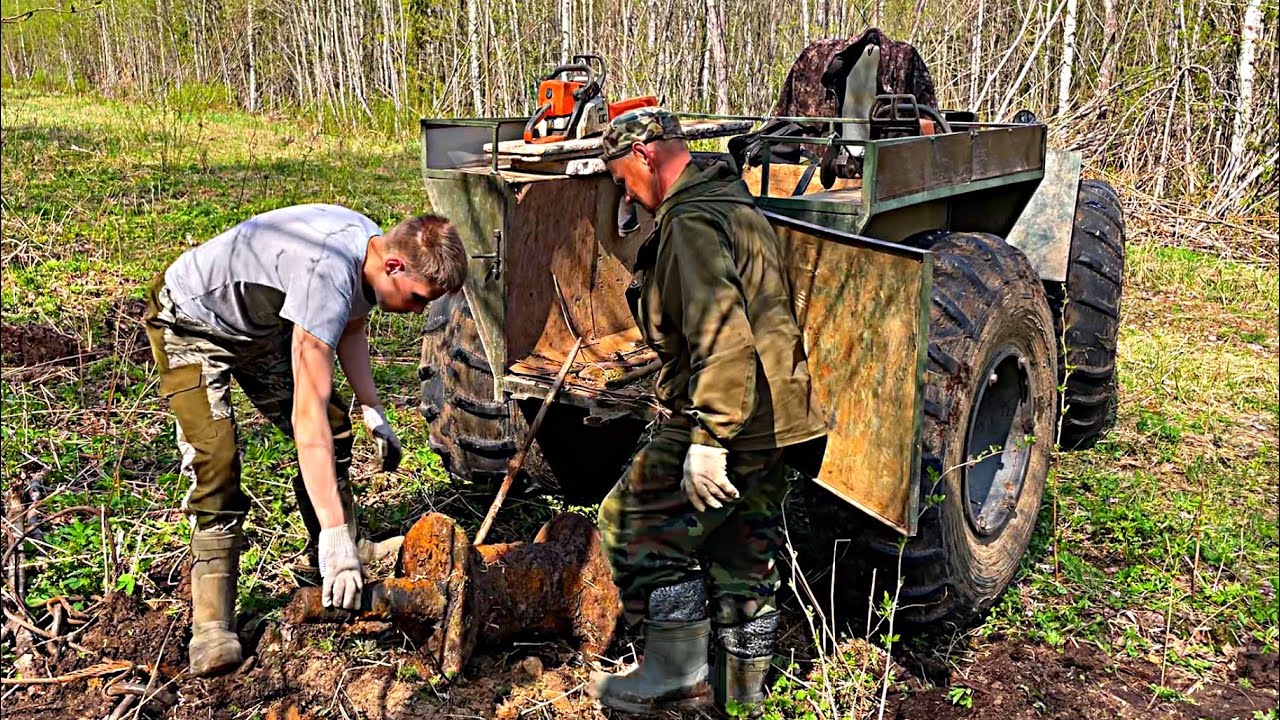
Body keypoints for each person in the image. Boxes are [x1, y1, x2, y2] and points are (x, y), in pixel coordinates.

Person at [142, 204, 467, 677]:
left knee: (337, 428)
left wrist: (369, 406)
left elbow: (351, 322)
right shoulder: (326, 273)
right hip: (191, 323)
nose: (419, 310)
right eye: (419, 298)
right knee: (216, 459)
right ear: (395, 267)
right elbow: (305, 416)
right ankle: (212, 624)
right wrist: (335, 533)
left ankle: (344, 551)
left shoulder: (369, 246)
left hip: (260, 328)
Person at [590, 109, 829, 714]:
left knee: (633, 523)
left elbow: (723, 336)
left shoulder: (692, 221)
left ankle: (676, 677)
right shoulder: (729, 200)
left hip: (734, 416)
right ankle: (742, 698)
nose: (626, 197)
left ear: (645, 154)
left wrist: (709, 436)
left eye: (622, 180)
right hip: (776, 414)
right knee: (742, 549)